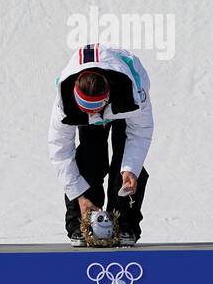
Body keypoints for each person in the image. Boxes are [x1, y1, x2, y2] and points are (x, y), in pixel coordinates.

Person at [48, 44, 153, 246]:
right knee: (90, 155)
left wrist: (130, 169)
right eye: (85, 109)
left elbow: (140, 132)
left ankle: (124, 223)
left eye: (95, 108)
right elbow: (60, 152)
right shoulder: (65, 104)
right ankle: (82, 222)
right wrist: (79, 196)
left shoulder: (132, 93)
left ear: (106, 99)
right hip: (97, 102)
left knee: (124, 160)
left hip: (121, 104)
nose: (92, 115)